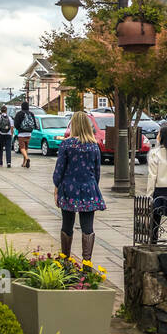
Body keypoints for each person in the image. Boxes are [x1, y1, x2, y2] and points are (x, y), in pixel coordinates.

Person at [52, 110, 105, 259]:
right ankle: (87, 263)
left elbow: (59, 170)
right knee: (87, 227)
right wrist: (94, 185)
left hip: (69, 188)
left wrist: (56, 188)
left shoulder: (67, 145)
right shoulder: (94, 146)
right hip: (89, 188)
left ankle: (65, 259)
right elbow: (97, 171)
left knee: (67, 224)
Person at [145, 124, 167, 241]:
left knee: (155, 220)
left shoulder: (155, 153)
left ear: (162, 137)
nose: (157, 135)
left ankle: (154, 240)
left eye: (159, 133)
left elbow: (152, 176)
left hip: (160, 190)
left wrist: (149, 194)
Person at [14, 100, 37, 168]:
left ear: (21, 107)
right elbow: (34, 123)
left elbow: (16, 124)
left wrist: (19, 129)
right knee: (26, 148)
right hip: (29, 133)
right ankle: (24, 163)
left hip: (21, 133)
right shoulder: (31, 114)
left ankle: (27, 159)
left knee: (22, 148)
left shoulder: (19, 113)